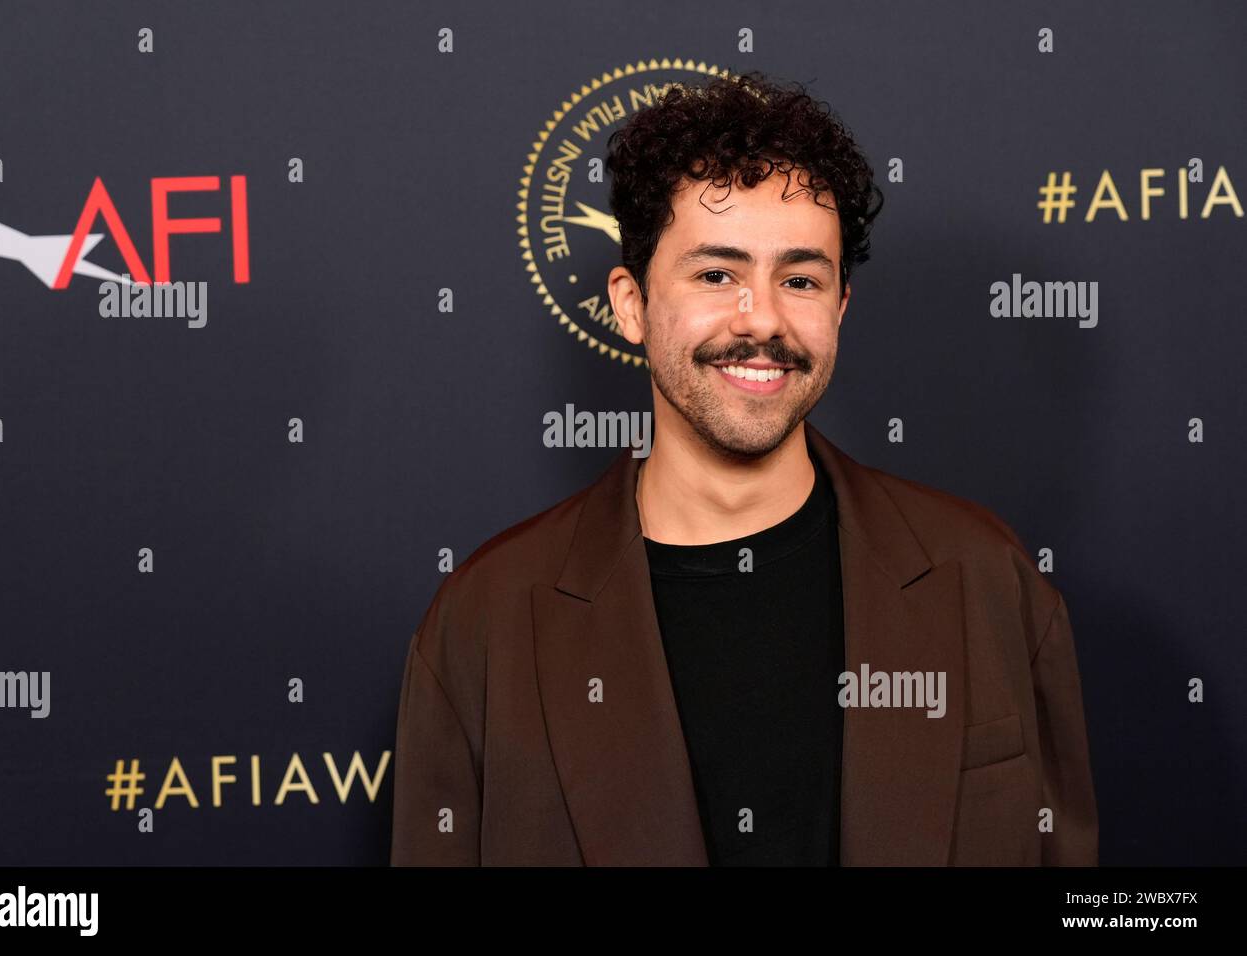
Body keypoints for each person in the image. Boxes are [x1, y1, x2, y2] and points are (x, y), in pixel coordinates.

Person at [390, 70, 1098, 866]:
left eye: (799, 280)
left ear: (838, 310)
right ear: (630, 305)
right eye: (716, 274)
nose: (760, 318)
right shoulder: (484, 622)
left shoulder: (985, 577)